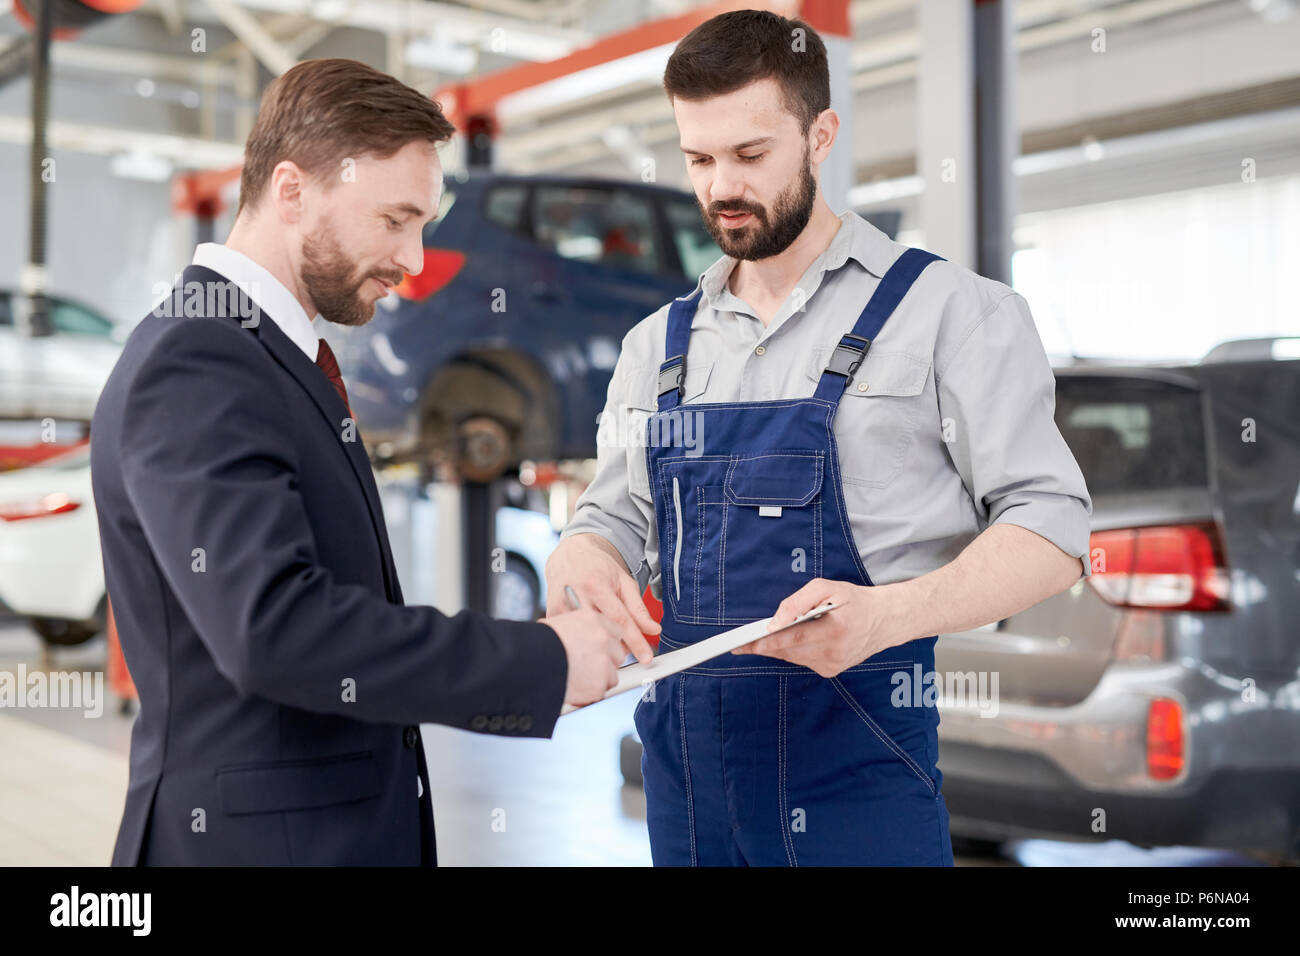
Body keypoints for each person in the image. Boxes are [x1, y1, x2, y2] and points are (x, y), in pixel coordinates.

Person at [545, 10, 1093, 866]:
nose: (721, 185)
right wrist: (580, 550)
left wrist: (884, 617)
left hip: (859, 772)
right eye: (698, 159)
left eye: (751, 155)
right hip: (686, 785)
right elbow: (610, 517)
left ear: (821, 134)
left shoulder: (952, 313)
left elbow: (1054, 532)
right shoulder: (655, 345)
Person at [91, 57, 650, 866]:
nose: (415, 259)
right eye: (395, 219)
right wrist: (540, 659)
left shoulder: (268, 352)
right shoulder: (200, 360)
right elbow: (273, 628)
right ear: (292, 190)